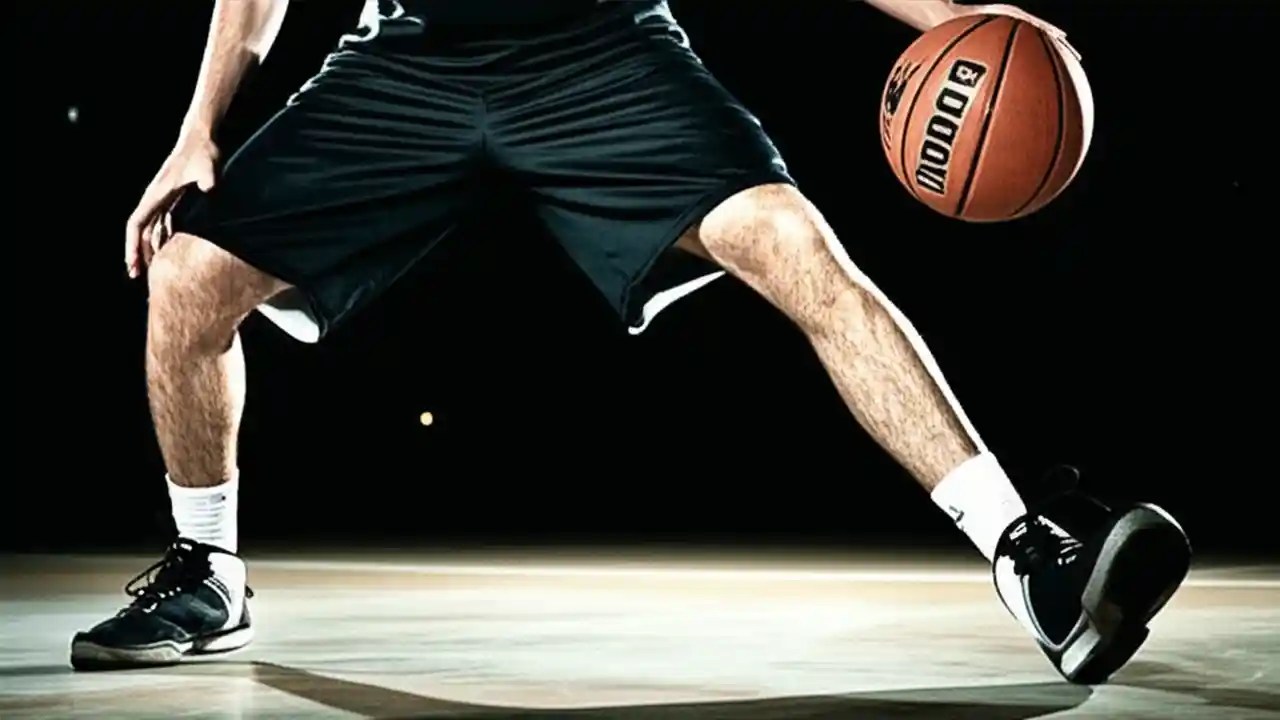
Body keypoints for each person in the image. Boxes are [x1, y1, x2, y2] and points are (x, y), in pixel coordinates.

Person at [76, 0, 1190, 684]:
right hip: (408, 57)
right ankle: (207, 572)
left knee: (792, 242)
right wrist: (197, 131)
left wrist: (954, 11)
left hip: (602, 52)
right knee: (186, 274)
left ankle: (1026, 563)